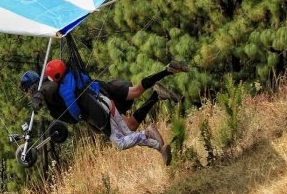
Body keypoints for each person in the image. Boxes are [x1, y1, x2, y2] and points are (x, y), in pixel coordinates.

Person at [20, 59, 189, 165]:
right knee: (131, 118)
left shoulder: (50, 86)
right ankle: (160, 147)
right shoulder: (64, 80)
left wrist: (38, 96)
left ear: (30, 88)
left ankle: (149, 129)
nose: (27, 95)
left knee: (124, 137)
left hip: (99, 105)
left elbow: (47, 89)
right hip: (101, 95)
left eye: (27, 91)